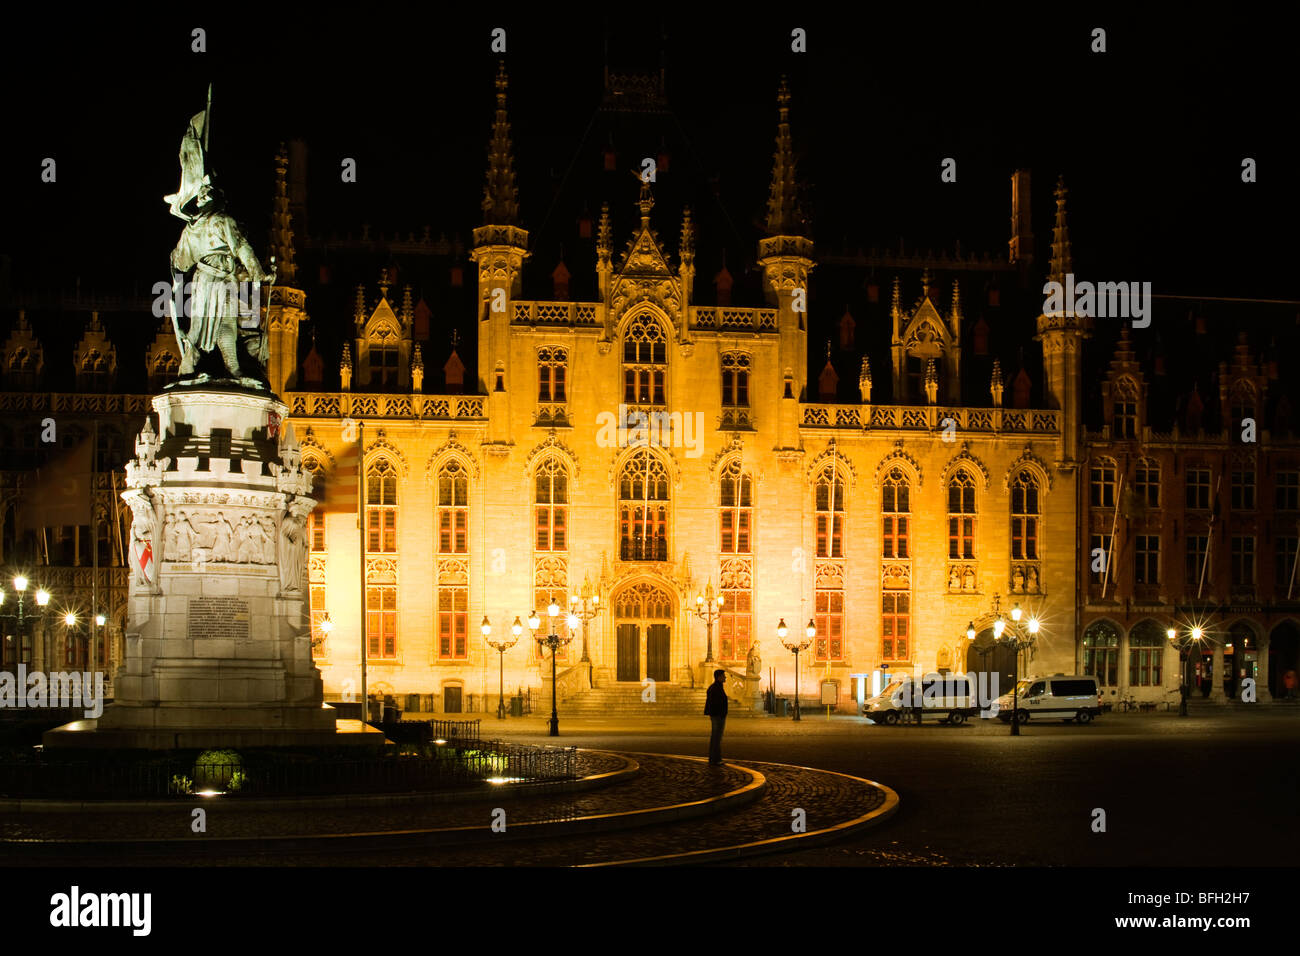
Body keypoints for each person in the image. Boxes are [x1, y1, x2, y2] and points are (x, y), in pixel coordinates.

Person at [704, 668, 728, 765]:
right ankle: (715, 759)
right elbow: (715, 703)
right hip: (717, 716)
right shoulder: (715, 688)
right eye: (723, 676)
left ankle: (715, 758)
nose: (725, 677)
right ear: (719, 677)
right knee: (716, 737)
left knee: (717, 737)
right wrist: (720, 714)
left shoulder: (717, 687)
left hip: (718, 715)